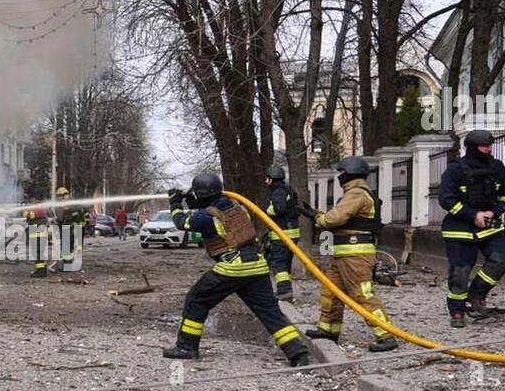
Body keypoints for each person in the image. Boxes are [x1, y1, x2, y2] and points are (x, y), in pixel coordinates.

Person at [162, 172, 309, 367]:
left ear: (200, 193)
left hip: (234, 267)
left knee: (196, 299)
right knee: (269, 311)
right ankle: (297, 353)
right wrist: (192, 200)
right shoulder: (235, 205)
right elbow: (212, 209)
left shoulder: (206, 217)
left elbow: (182, 223)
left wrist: (175, 204)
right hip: (256, 265)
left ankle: (187, 347)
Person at [304, 156, 398, 352]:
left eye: (340, 173)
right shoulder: (353, 194)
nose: (339, 177)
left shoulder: (356, 193)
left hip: (355, 256)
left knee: (362, 294)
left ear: (350, 173)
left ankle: (386, 335)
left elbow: (335, 218)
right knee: (331, 292)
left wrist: (318, 218)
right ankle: (328, 329)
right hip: (342, 254)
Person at [437, 129, 505, 328]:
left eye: (489, 146)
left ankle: (477, 294)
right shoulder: (455, 170)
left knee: (501, 259)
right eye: (484, 147)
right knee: (460, 272)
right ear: (473, 148)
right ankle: (457, 311)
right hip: (459, 228)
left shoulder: (497, 168)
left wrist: (495, 211)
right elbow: (446, 199)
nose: (488, 150)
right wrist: (473, 215)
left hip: (489, 224)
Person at [262, 163, 301, 301]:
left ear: (272, 178)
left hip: (282, 235)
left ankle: (284, 291)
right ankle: (286, 289)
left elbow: (279, 209)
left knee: (278, 263)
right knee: (285, 264)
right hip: (291, 234)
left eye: (267, 179)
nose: (266, 182)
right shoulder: (287, 189)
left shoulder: (278, 191)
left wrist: (266, 209)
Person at [55, 186, 86, 272]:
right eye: (58, 196)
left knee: (70, 247)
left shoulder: (72, 205)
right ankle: (67, 264)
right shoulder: (62, 206)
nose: (59, 198)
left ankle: (68, 265)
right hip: (66, 228)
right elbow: (61, 218)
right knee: (66, 247)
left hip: (72, 229)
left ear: (65, 196)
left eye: (61, 196)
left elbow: (76, 216)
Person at [23, 199, 53, 278]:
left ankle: (41, 272)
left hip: (37, 234)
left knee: (38, 252)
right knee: (39, 253)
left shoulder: (35, 210)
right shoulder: (40, 210)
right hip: (38, 233)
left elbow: (30, 216)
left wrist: (26, 212)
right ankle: (41, 270)